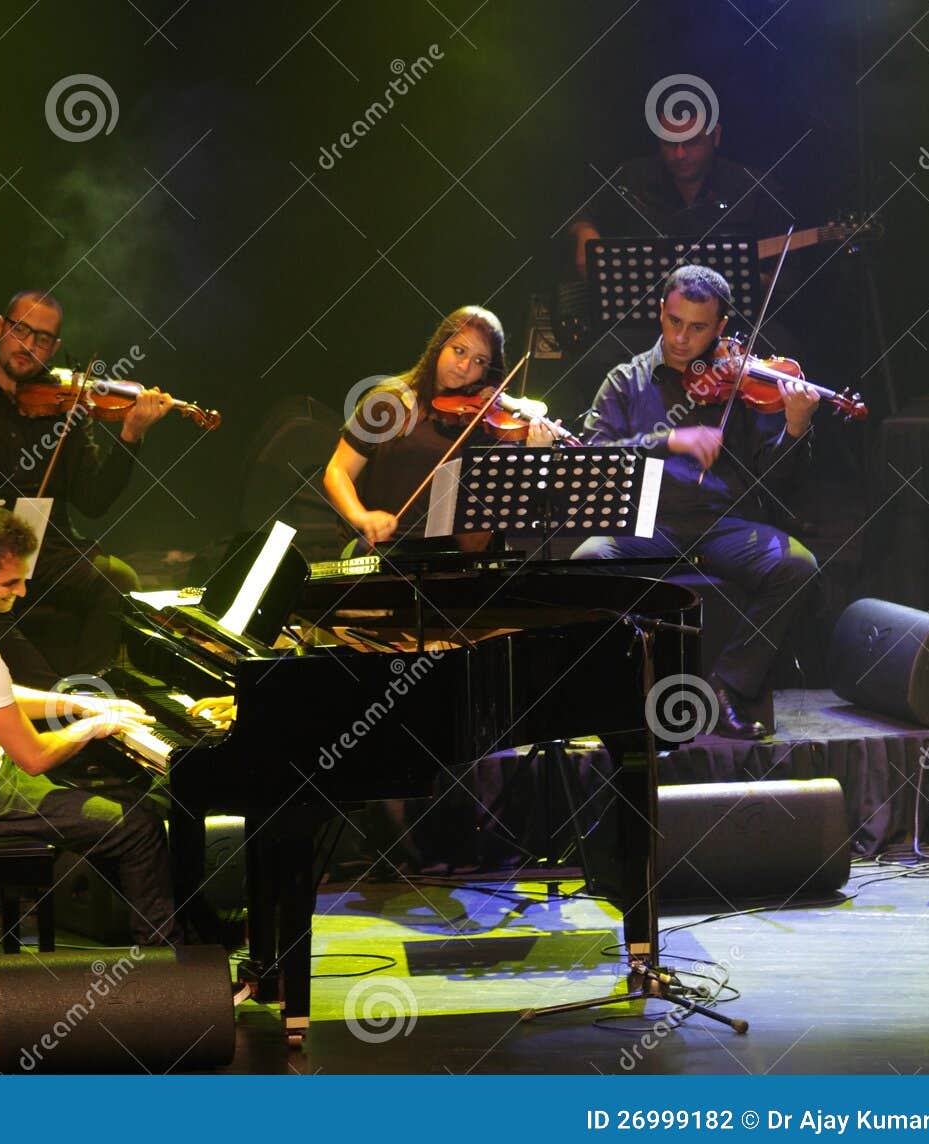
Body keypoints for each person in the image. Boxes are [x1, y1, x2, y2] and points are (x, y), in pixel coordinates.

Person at [0, 506, 182, 946]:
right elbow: (35, 757)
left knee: (125, 794)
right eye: (9, 583)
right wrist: (93, 726)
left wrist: (77, 704)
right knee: (138, 828)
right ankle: (165, 961)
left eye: (23, 579)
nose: (23, 592)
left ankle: (166, 931)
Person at [571, 265, 820, 739]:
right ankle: (622, 689)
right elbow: (594, 457)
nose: (682, 338)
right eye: (674, 321)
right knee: (586, 561)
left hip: (723, 524)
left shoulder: (743, 383)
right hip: (649, 522)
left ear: (720, 327)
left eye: (698, 327)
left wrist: (795, 427)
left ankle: (727, 686)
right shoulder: (626, 380)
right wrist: (669, 440)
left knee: (798, 566)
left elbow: (776, 479)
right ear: (661, 312)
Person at [0, 290, 174, 687]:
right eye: (21, 330)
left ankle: (86, 690)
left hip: (48, 555)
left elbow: (94, 501)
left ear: (54, 348)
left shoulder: (66, 408)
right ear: (0, 327)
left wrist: (130, 436)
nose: (29, 345)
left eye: (43, 339)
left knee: (119, 581)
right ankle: (55, 701)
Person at [322, 305, 559, 551]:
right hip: (381, 546)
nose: (464, 366)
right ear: (439, 346)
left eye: (479, 361)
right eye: (459, 350)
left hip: (449, 554)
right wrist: (361, 517)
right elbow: (338, 470)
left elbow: (502, 511)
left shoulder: (484, 425)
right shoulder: (388, 402)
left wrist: (537, 454)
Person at [566, 112, 790, 280]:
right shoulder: (633, 176)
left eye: (691, 142)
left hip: (731, 319)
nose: (680, 154)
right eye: (669, 143)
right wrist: (584, 232)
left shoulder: (754, 187)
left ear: (715, 135)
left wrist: (754, 282)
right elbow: (580, 213)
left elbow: (787, 276)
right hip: (651, 318)